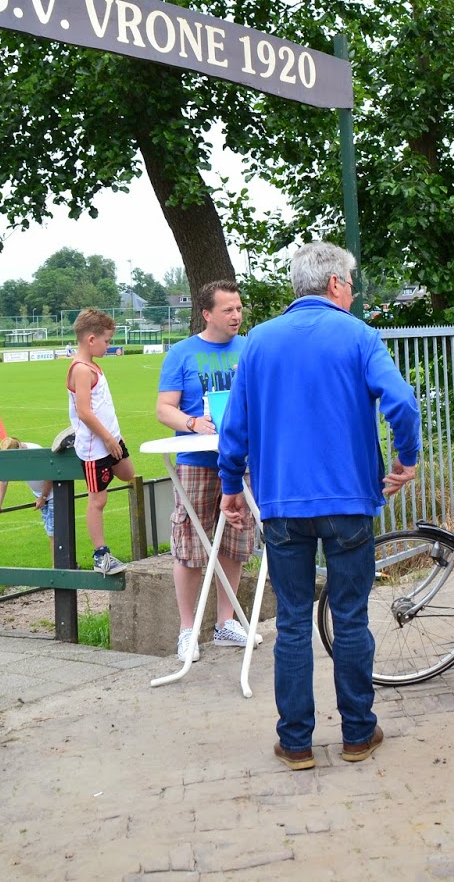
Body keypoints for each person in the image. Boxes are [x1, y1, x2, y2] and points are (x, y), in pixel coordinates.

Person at [218, 243, 421, 771]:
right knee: (350, 619)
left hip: (283, 502)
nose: (351, 292)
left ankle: (297, 743)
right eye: (350, 284)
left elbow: (234, 428)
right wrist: (407, 458)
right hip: (349, 499)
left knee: (291, 623)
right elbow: (401, 402)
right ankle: (357, 734)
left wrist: (230, 487)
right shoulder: (359, 336)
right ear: (335, 284)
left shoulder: (257, 342)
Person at [155, 279, 252, 662]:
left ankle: (226, 623)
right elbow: (164, 409)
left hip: (241, 462)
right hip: (196, 464)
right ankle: (187, 629)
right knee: (190, 546)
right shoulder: (182, 354)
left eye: (239, 308)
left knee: (235, 543)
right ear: (207, 314)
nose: (236, 315)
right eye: (228, 309)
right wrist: (194, 424)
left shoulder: (250, 349)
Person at [66, 308, 133, 574]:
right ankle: (101, 555)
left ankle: (105, 475)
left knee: (128, 473)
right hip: (95, 448)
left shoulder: (93, 364)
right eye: (106, 341)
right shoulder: (81, 369)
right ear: (91, 339)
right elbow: (84, 411)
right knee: (98, 500)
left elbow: (103, 405)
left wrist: (116, 435)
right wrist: (106, 437)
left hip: (111, 439)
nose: (109, 345)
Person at [0, 436, 55, 538]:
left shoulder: (36, 452)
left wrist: (43, 497)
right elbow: (3, 479)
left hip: (54, 493)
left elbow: (49, 476)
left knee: (54, 533)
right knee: (50, 531)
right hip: (40, 495)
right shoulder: (10, 455)